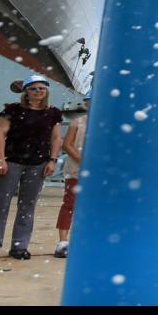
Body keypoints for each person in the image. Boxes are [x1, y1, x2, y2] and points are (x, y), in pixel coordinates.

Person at [0, 74, 63, 260]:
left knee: (28, 206)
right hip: (12, 161)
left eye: (42, 88)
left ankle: (19, 246)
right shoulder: (13, 110)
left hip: (38, 163)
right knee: (0, 203)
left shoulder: (53, 113)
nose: (38, 91)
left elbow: (56, 137)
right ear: (26, 91)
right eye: (34, 88)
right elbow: (1, 133)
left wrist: (52, 160)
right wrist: (0, 159)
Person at [53, 92, 91, 258]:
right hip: (76, 170)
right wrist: (83, 161)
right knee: (69, 204)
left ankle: (87, 239)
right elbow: (67, 145)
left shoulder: (109, 123)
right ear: (86, 104)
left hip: (99, 173)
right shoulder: (78, 122)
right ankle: (63, 241)